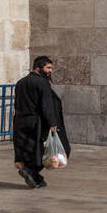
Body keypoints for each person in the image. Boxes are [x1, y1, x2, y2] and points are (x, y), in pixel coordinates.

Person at [12, 56, 70, 189]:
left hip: (22, 121)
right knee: (47, 151)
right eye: (48, 68)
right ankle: (30, 171)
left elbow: (17, 104)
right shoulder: (42, 83)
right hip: (37, 123)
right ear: (38, 67)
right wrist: (52, 122)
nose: (50, 71)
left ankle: (36, 178)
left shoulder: (21, 82)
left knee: (30, 150)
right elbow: (46, 105)